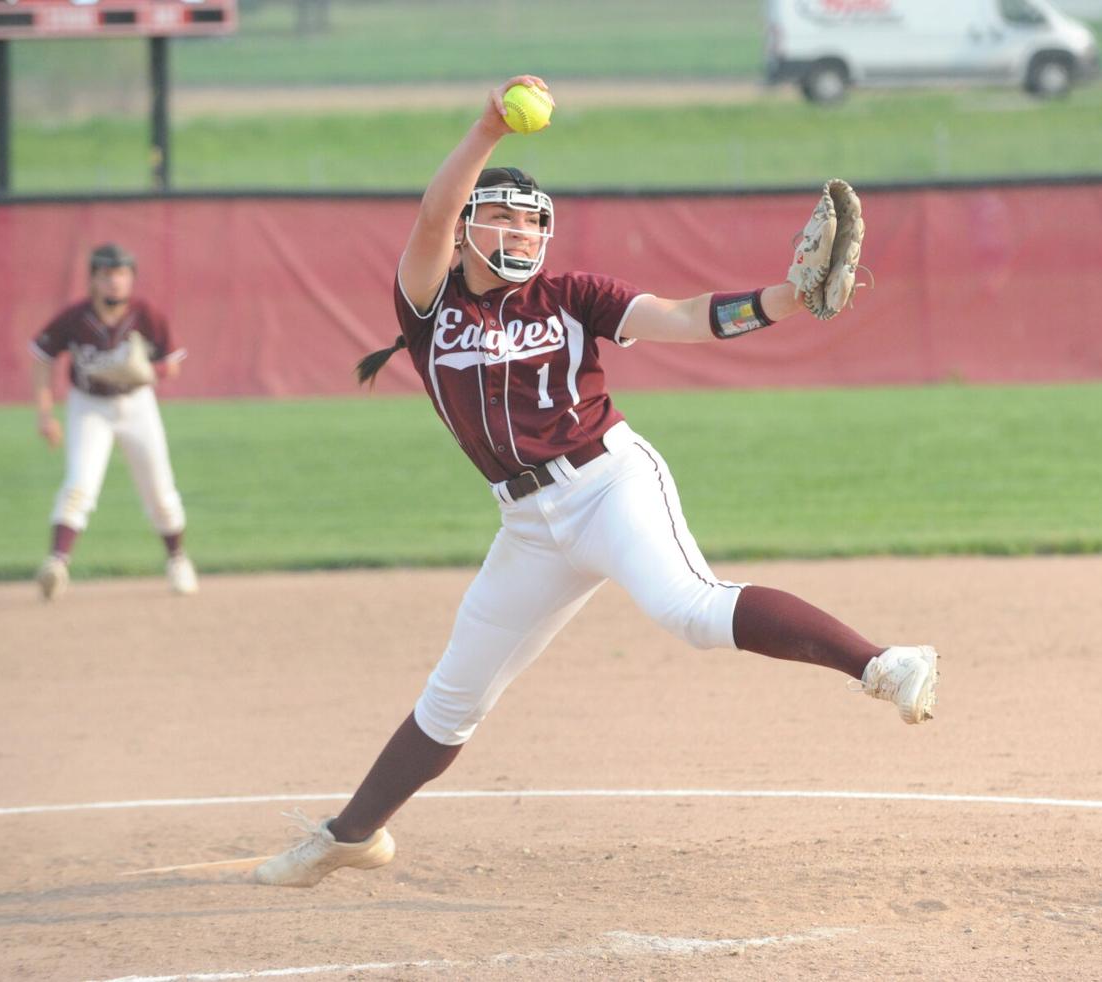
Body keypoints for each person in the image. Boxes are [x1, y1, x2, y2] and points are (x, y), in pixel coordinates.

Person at [254, 76, 939, 888]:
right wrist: (486, 130)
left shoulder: (571, 296)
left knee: (687, 607)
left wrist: (786, 299)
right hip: (527, 525)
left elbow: (684, 317)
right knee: (454, 696)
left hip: (608, 483)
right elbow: (432, 215)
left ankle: (883, 663)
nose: (516, 229)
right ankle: (352, 835)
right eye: (499, 216)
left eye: (529, 219)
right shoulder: (431, 310)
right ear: (467, 231)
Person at [29, 243, 198, 600]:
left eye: (122, 274)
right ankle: (57, 564)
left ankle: (178, 560)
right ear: (93, 280)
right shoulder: (75, 318)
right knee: (79, 485)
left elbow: (174, 363)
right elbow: (43, 355)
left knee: (160, 491)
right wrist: (45, 414)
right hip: (89, 406)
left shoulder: (145, 314)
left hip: (136, 404)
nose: (116, 282)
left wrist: (147, 370)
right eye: (107, 275)